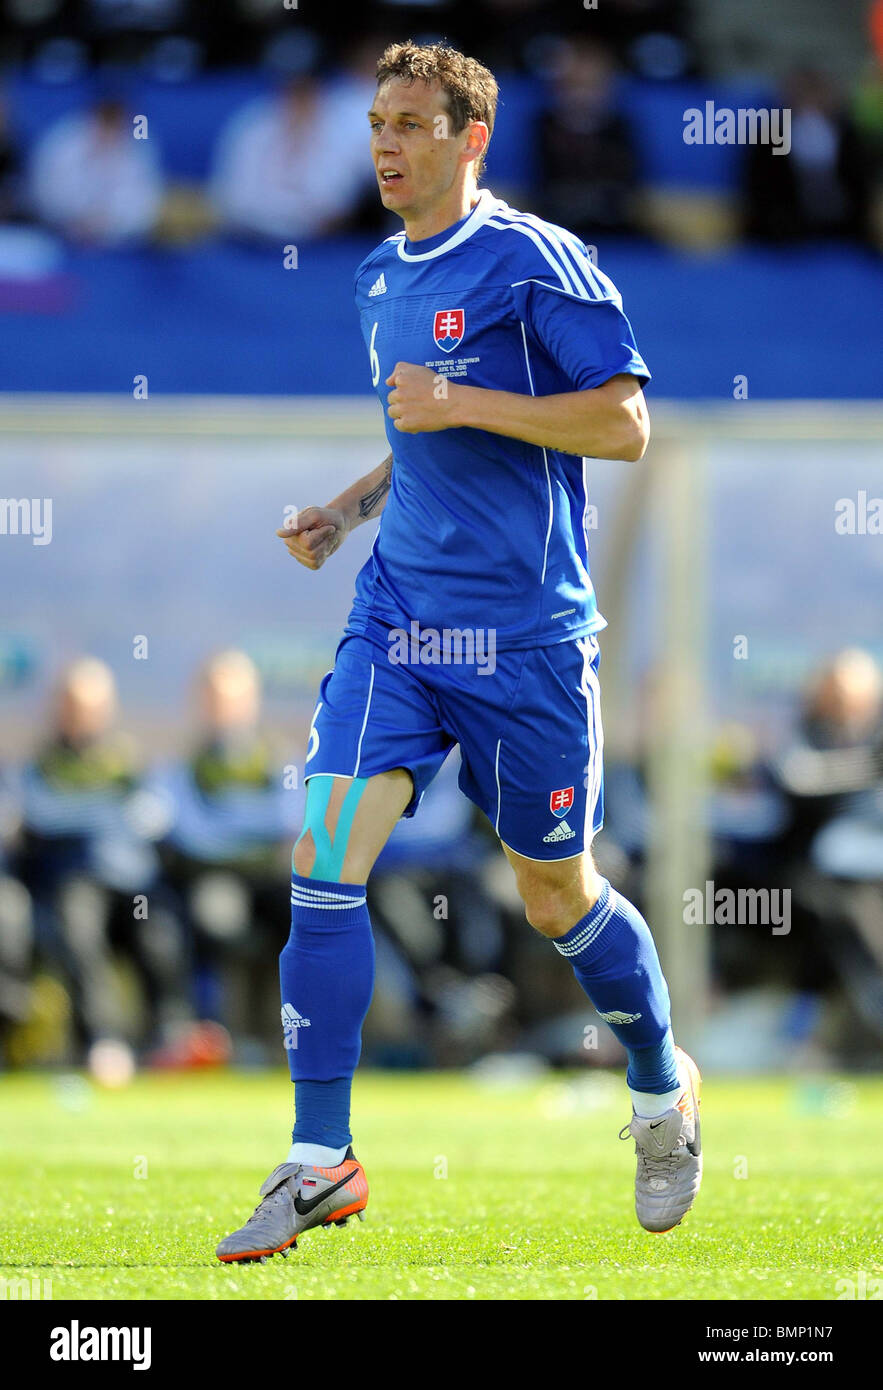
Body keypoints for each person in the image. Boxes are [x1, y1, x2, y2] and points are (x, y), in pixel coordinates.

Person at [216, 39, 702, 1264]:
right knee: (323, 856)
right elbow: (419, 435)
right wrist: (345, 508)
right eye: (377, 121)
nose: (384, 142)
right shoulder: (379, 274)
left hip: (528, 639)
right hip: (400, 624)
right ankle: (320, 1159)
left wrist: (466, 400)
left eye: (411, 124)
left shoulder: (537, 260)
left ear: (470, 138)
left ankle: (656, 1083)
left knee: (555, 894)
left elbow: (626, 422)